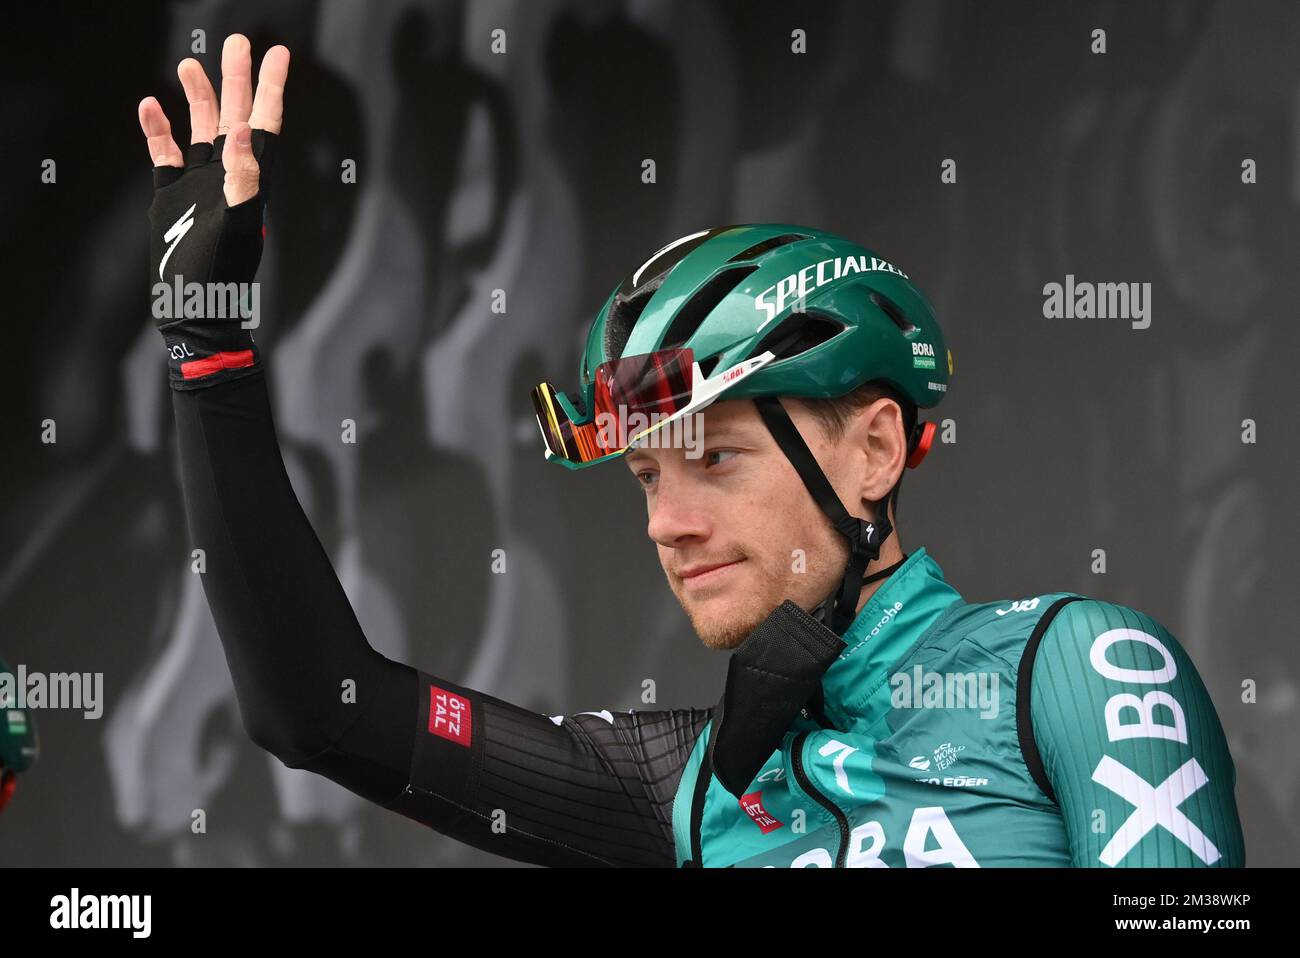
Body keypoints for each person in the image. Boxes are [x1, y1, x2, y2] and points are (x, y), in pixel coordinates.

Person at [137, 34, 1245, 867]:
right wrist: (205, 350)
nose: (666, 523)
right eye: (646, 475)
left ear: (873, 450)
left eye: (712, 458)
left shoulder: (1080, 663)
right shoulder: (685, 781)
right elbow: (319, 708)